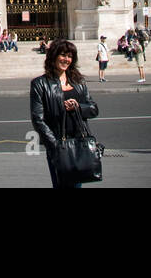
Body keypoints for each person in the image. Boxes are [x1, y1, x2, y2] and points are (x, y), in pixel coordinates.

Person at [29, 38, 100, 188]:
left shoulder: (79, 81)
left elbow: (93, 109)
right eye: (62, 55)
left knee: (77, 185)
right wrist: (55, 146)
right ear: (53, 56)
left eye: (69, 56)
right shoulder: (40, 84)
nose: (66, 59)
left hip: (79, 142)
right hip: (58, 145)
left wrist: (79, 106)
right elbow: (38, 119)